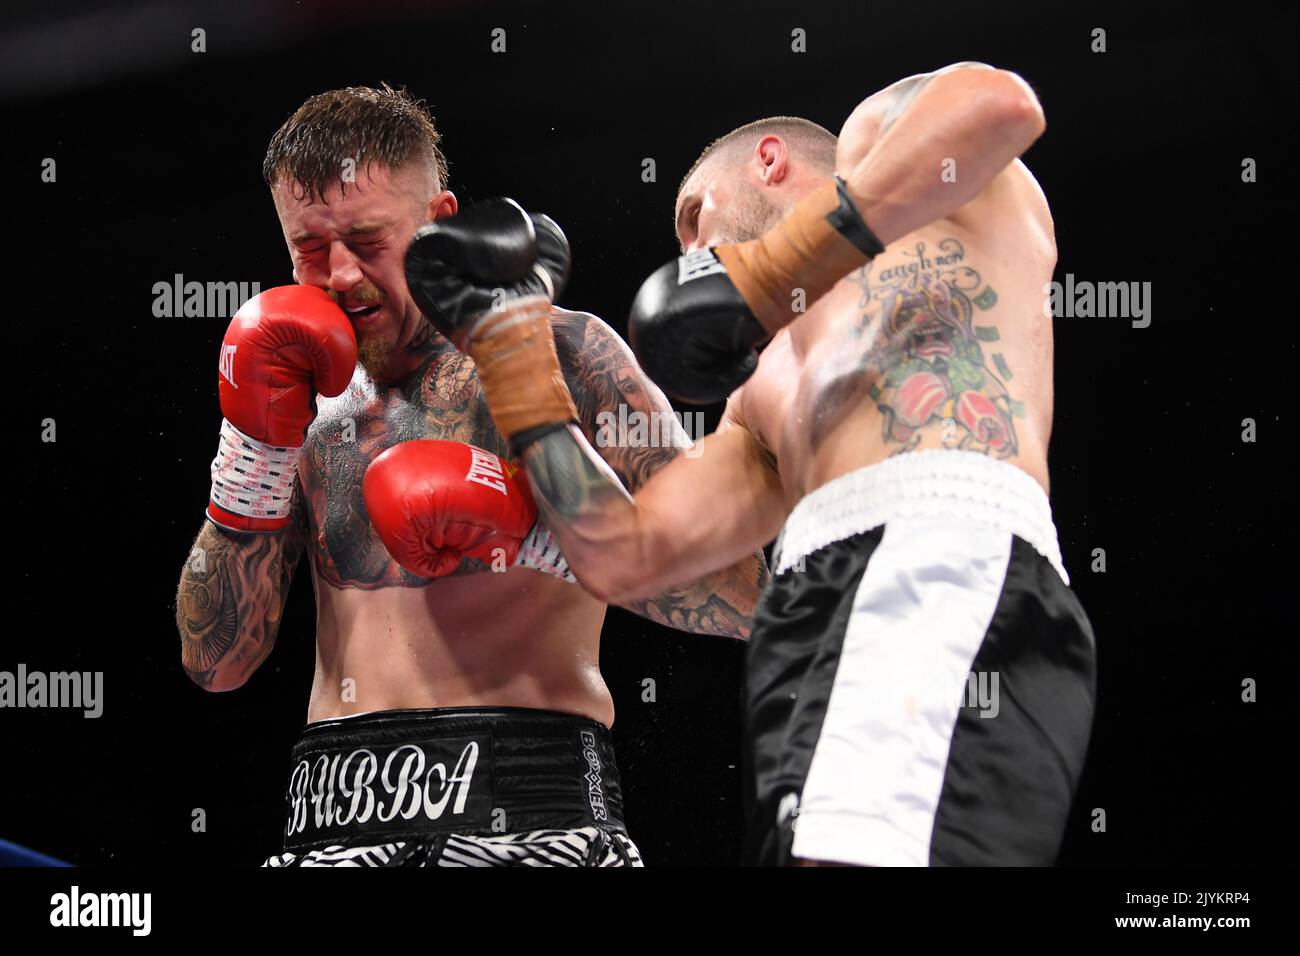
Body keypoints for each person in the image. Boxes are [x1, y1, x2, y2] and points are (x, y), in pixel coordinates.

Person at [410, 63, 1096, 866]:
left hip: (933, 560)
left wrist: (771, 272)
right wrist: (511, 346)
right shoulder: (762, 400)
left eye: (695, 219)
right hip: (807, 628)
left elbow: (1001, 105)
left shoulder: (900, 154)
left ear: (770, 161)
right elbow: (627, 554)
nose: (692, 253)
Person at [174, 84, 766, 867]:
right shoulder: (292, 391)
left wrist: (537, 536)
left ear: (439, 220)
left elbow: (742, 596)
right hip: (328, 831)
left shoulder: (562, 355)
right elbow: (214, 661)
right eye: (310, 249)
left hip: (533, 816)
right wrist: (250, 457)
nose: (341, 274)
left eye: (367, 237)